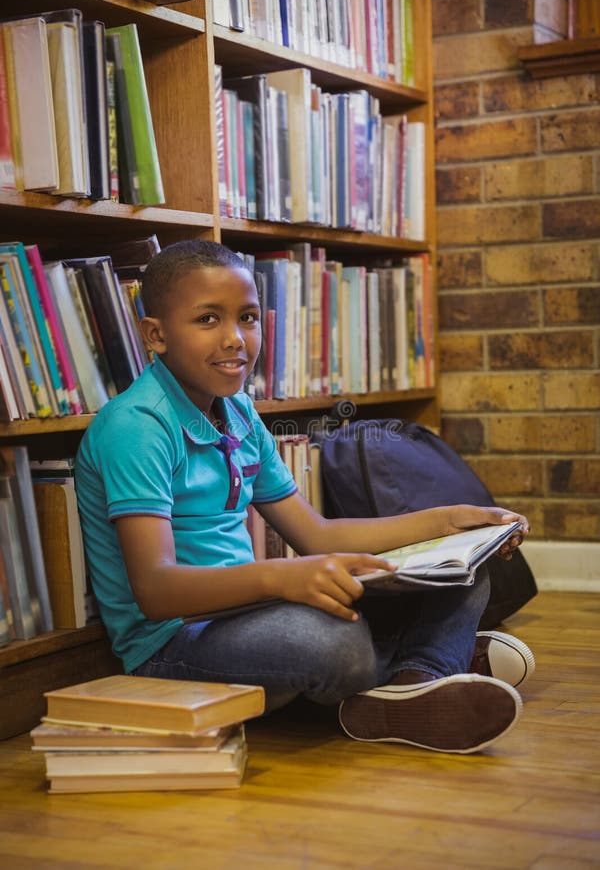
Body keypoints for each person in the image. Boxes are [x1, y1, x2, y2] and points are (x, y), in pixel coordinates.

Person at [75, 240, 534, 755]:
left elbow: (316, 534)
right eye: (208, 319)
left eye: (247, 318)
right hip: (174, 646)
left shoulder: (239, 413)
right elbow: (157, 592)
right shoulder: (136, 428)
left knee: (466, 571)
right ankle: (430, 663)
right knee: (332, 643)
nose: (235, 339)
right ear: (155, 335)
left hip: (252, 611)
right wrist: (281, 577)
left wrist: (448, 521)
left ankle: (413, 681)